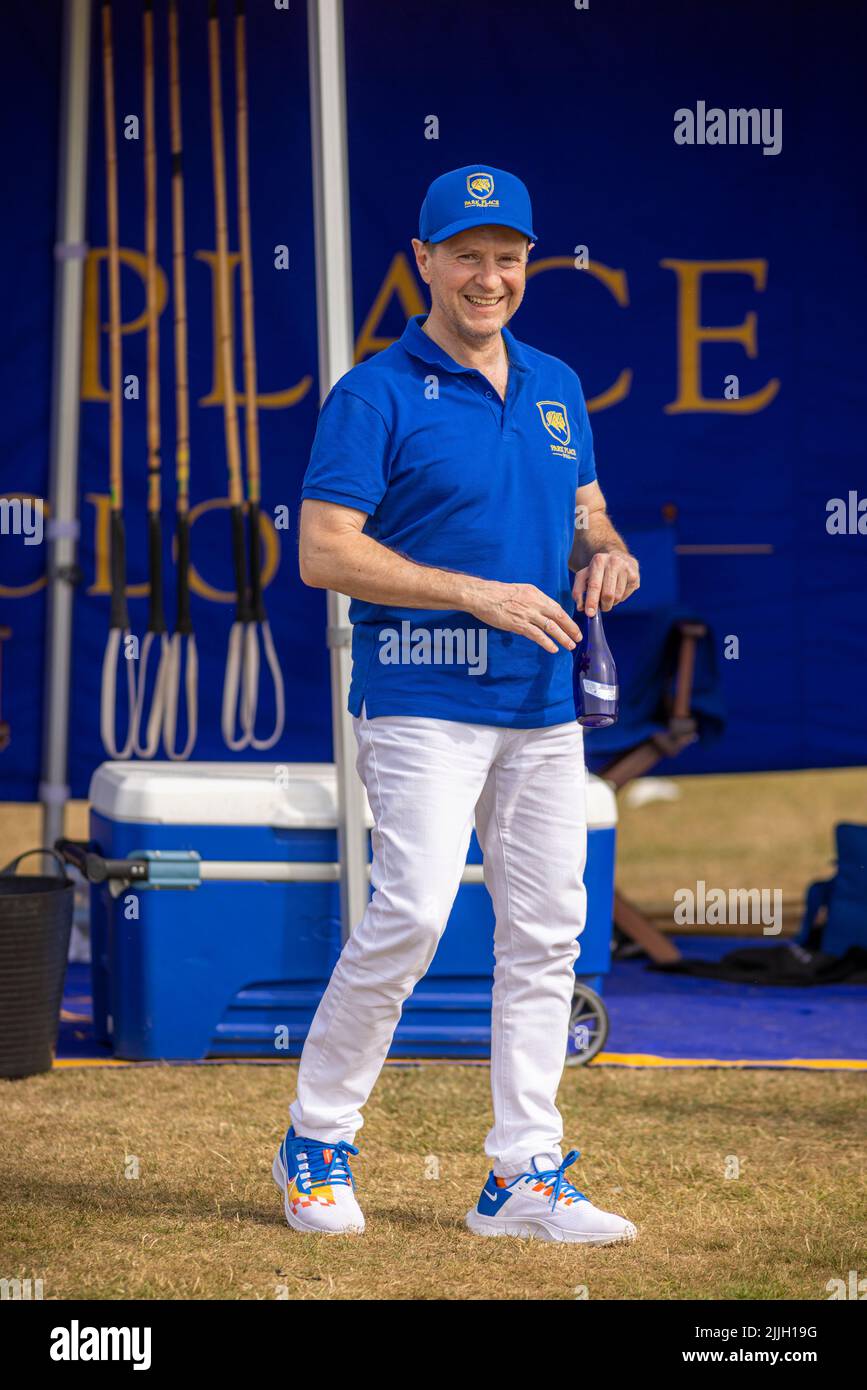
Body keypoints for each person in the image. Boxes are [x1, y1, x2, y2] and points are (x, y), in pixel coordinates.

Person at [273, 164, 640, 1244]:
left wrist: (606, 553)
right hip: (422, 697)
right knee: (416, 912)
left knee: (546, 932)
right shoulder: (374, 391)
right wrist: (475, 592)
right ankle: (315, 1140)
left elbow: (586, 509)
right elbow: (324, 550)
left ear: (529, 265)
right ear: (426, 262)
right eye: (468, 255)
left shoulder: (558, 384)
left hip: (539, 705)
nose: (491, 276)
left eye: (509, 256)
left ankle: (522, 1175)